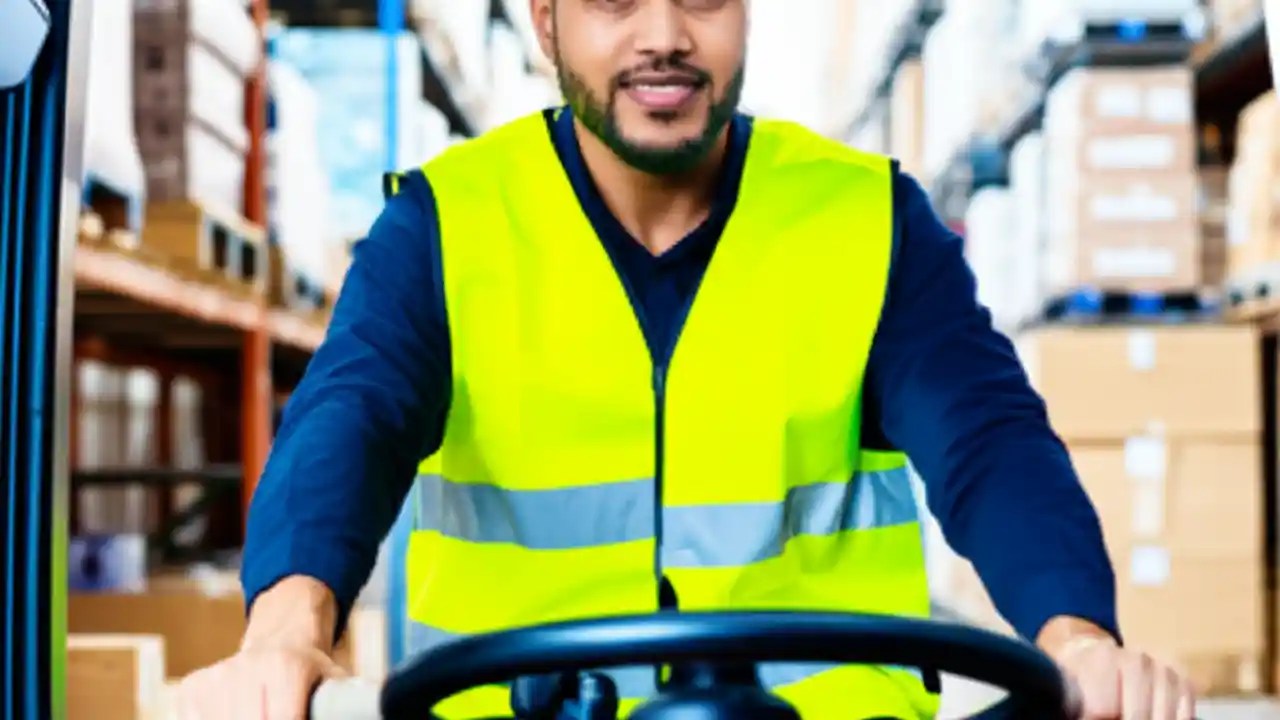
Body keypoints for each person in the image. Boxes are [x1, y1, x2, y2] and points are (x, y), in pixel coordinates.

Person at [176, 1, 1198, 718]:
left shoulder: (864, 222)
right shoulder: (447, 225)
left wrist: (1076, 640)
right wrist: (284, 634)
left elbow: (988, 442)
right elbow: (346, 420)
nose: (661, 36)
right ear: (546, 22)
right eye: (612, 0)